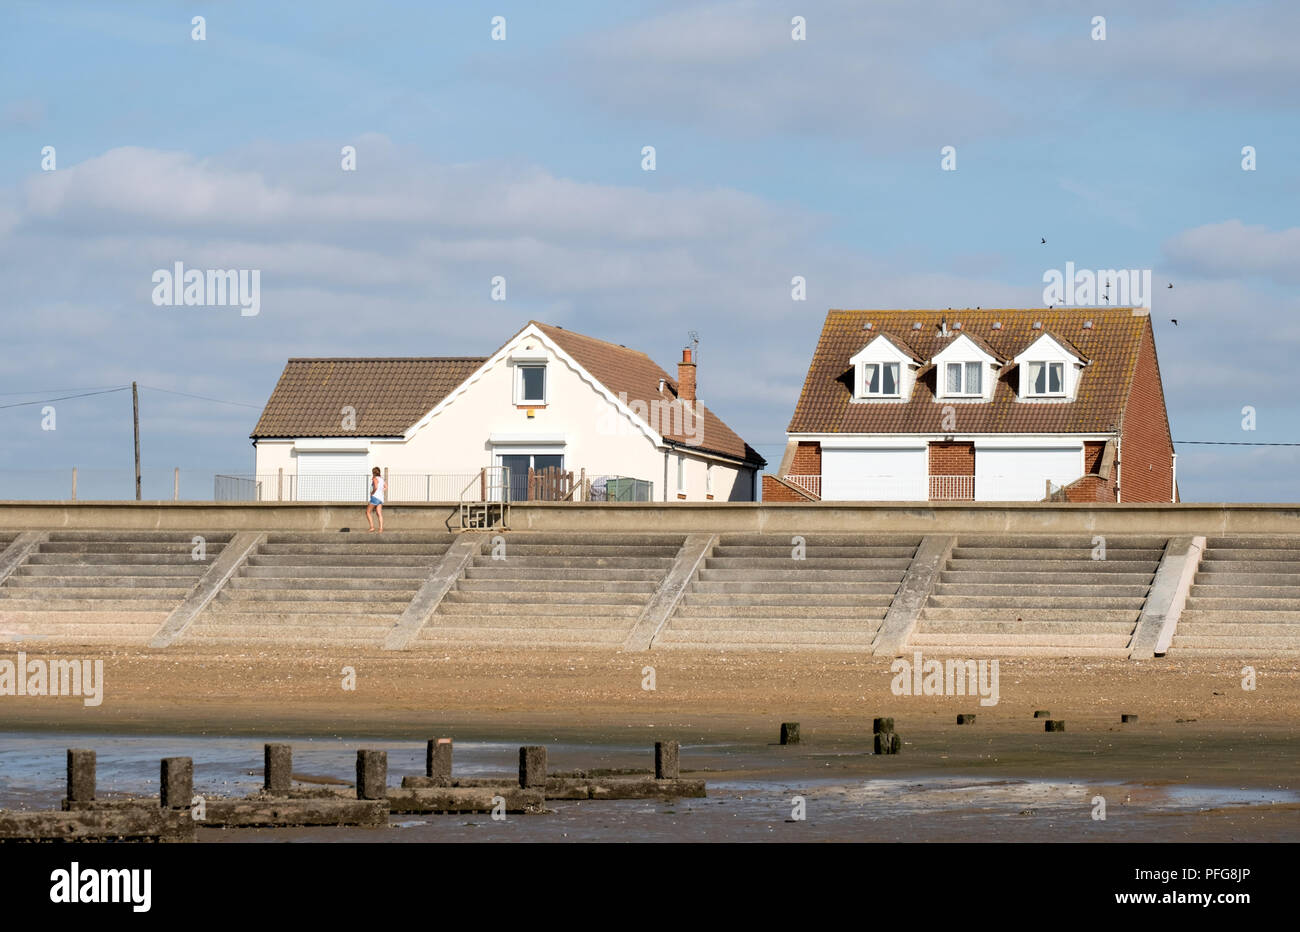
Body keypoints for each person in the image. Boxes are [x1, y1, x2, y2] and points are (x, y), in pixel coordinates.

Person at [366, 467, 385, 532]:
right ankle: (381, 529)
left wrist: (372, 493)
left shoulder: (375, 478)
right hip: (381, 498)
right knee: (379, 513)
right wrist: (381, 491)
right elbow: (386, 487)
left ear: (373, 472)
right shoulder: (382, 479)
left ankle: (372, 527)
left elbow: (376, 487)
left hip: (375, 497)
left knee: (368, 512)